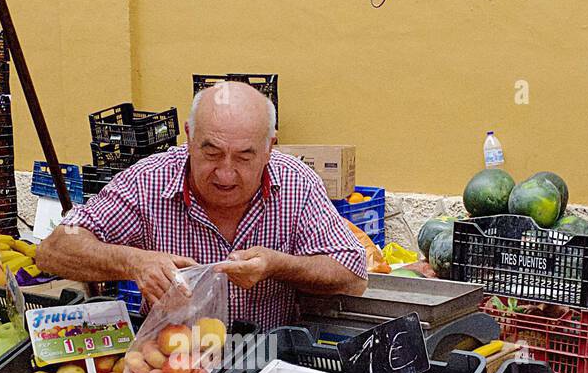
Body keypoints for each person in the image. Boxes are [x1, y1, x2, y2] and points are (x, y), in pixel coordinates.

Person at [35, 82, 368, 328]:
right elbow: (53, 250)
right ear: (190, 137)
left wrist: (277, 266)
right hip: (169, 367)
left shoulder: (296, 184)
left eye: (244, 156)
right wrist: (133, 262)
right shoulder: (148, 181)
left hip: (264, 362)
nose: (225, 173)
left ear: (269, 147)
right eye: (210, 153)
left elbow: (353, 275)